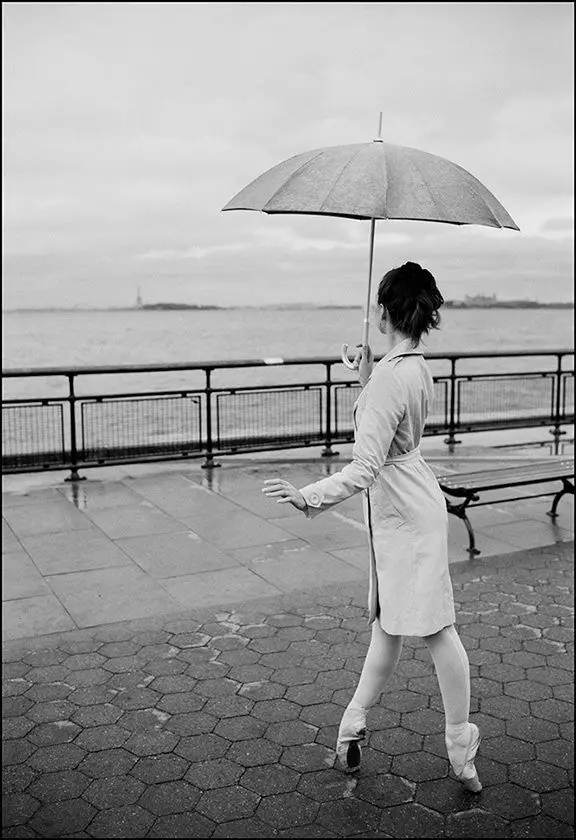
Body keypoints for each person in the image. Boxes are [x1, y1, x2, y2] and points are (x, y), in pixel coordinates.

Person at [262, 262, 481, 793]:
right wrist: (366, 374)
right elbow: (393, 426)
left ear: (384, 311)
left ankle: (459, 748)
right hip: (411, 507)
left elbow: (366, 466)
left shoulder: (391, 376)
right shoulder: (412, 367)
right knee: (389, 624)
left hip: (403, 516)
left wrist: (307, 495)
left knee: (434, 628)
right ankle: (352, 727)